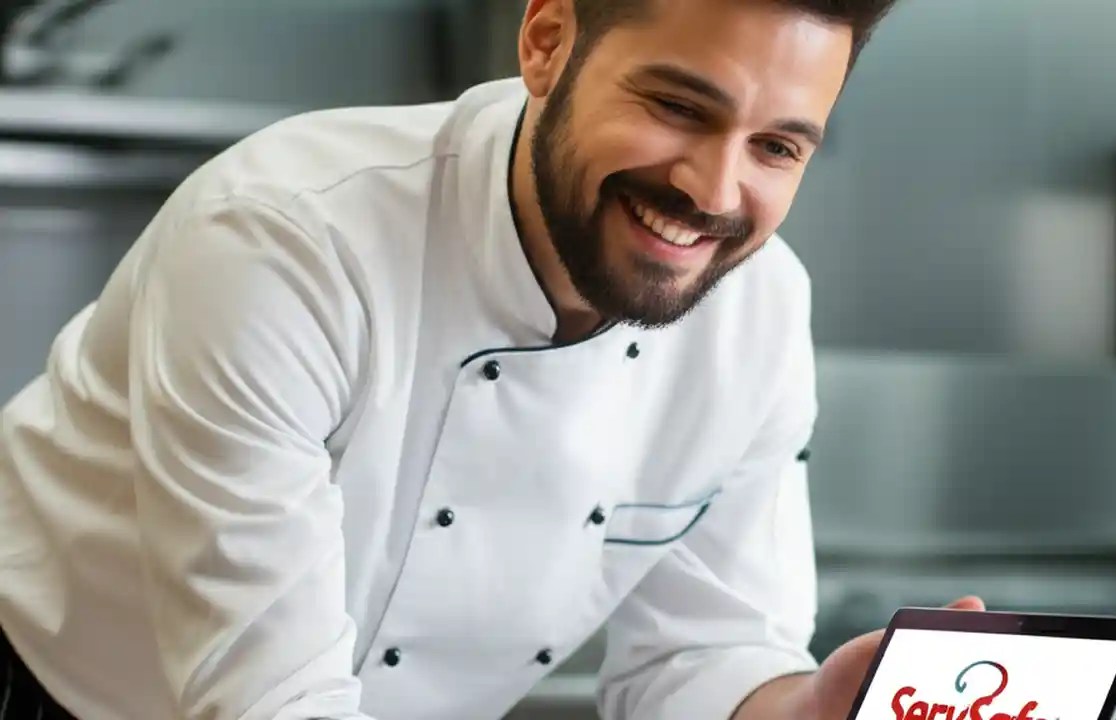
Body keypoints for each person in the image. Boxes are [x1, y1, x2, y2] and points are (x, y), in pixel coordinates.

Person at [0, 0, 984, 718]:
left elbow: (703, 654)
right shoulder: (285, 242)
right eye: (677, 107)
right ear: (546, 42)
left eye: (776, 147)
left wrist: (808, 710)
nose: (711, 189)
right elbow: (270, 699)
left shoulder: (757, 310)